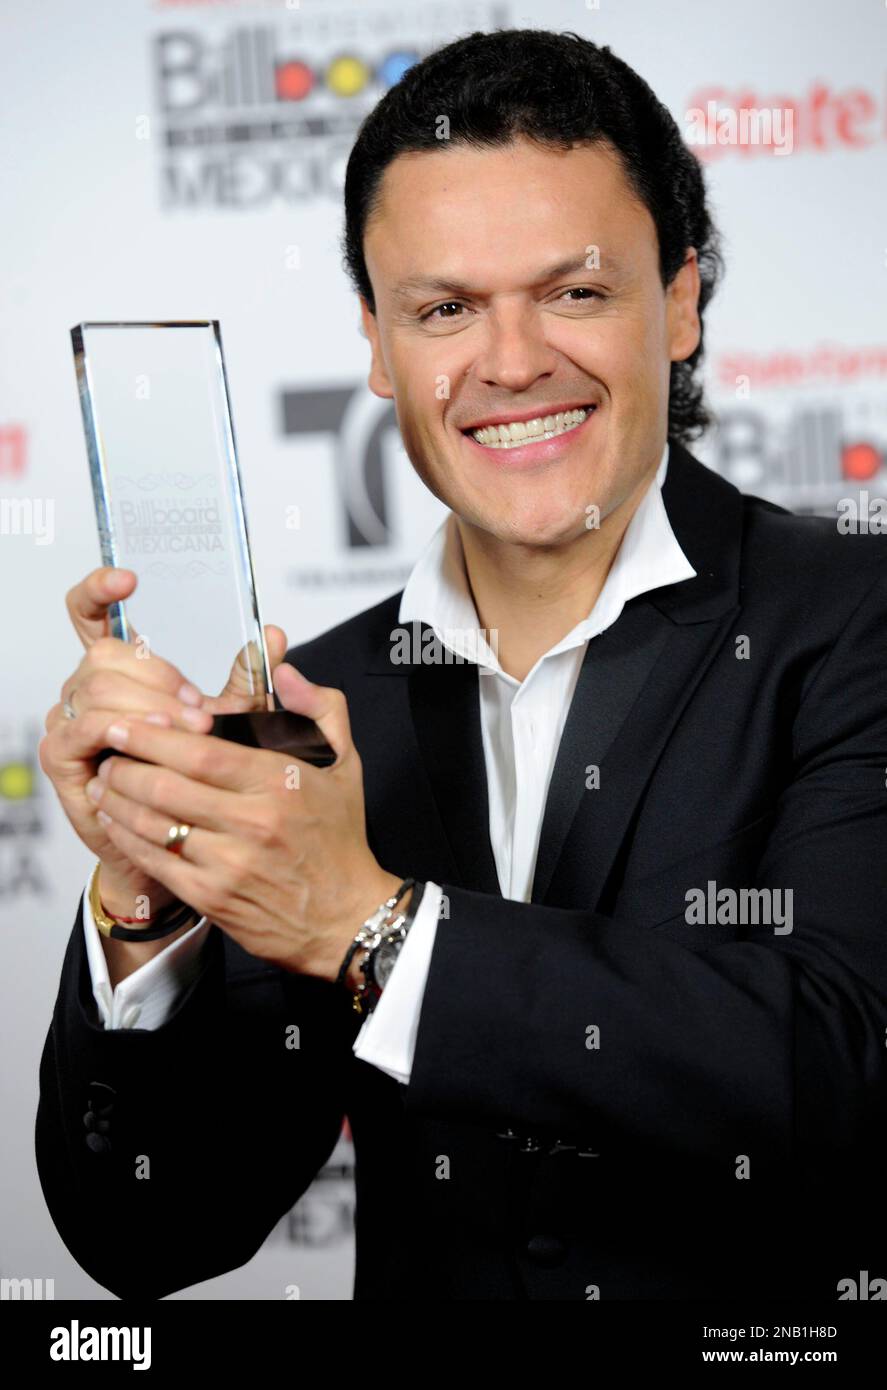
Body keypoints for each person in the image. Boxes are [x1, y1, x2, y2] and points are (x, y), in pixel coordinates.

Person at [36, 28, 887, 1301]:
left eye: (574, 293)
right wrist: (147, 897)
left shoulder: (853, 615)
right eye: (444, 309)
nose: (510, 361)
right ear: (380, 347)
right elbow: (150, 1238)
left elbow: (847, 1071)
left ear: (680, 302)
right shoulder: (317, 710)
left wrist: (367, 926)